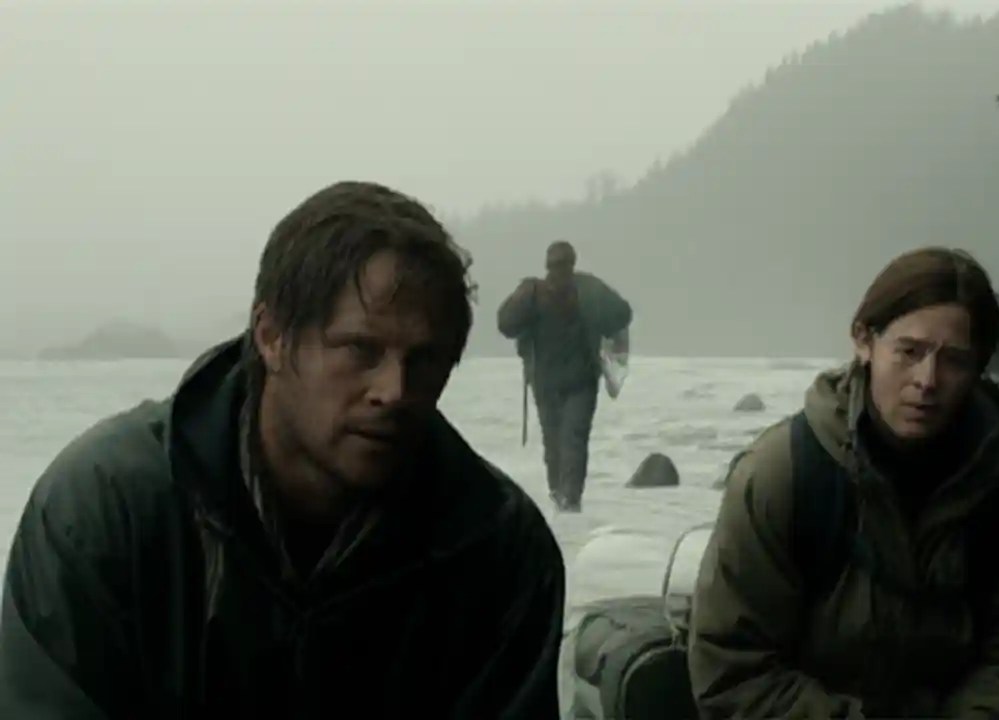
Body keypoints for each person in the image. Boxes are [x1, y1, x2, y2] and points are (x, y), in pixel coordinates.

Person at [0, 181, 566, 718]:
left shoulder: (497, 550)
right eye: (359, 349)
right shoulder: (105, 512)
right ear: (270, 335)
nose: (394, 391)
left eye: (425, 360)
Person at [686, 247, 999, 719]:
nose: (927, 380)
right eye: (909, 352)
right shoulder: (784, 474)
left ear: (979, 368)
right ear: (865, 341)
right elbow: (733, 668)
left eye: (953, 361)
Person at [497, 240, 632, 512]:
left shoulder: (560, 290)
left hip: (564, 382)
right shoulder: (572, 290)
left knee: (564, 440)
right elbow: (621, 316)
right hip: (565, 382)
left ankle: (565, 498)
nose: (559, 271)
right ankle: (566, 499)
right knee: (566, 440)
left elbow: (506, 325)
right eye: (557, 266)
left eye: (561, 265)